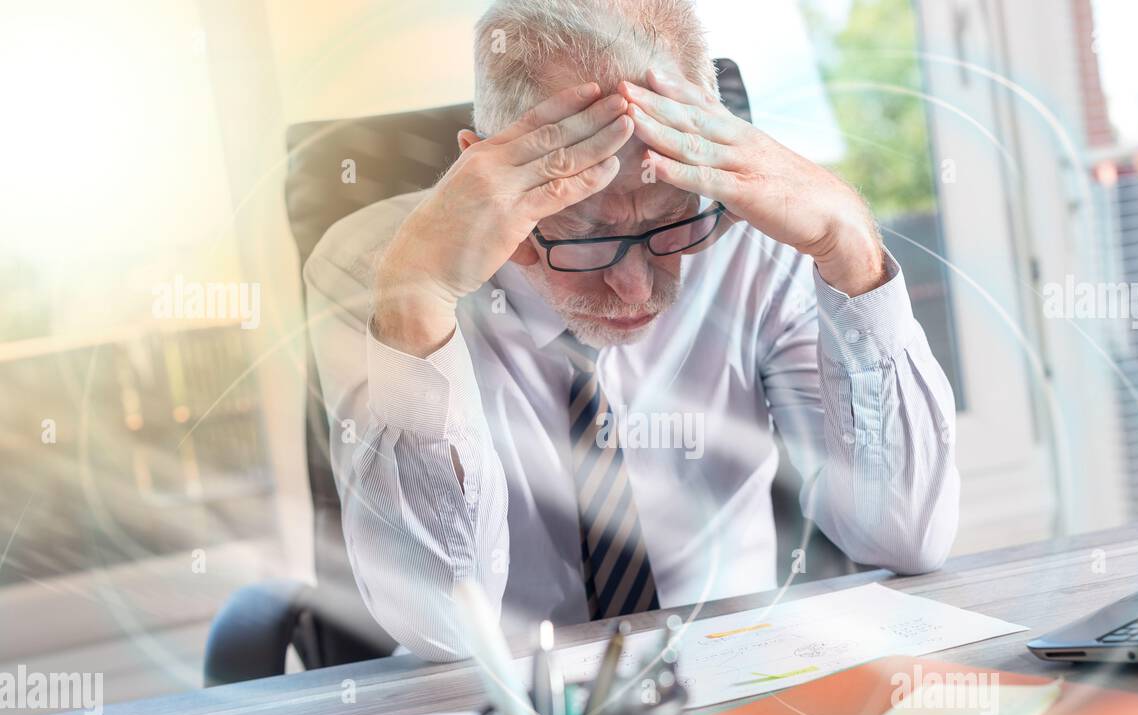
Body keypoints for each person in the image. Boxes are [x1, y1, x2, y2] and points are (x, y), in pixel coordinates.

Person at [306, 0, 959, 660]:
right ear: (483, 169)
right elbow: (440, 626)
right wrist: (417, 298)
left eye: (671, 222)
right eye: (587, 234)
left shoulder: (754, 234)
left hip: (737, 682)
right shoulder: (375, 269)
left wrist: (850, 239)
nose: (638, 288)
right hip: (504, 711)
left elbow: (903, 536)